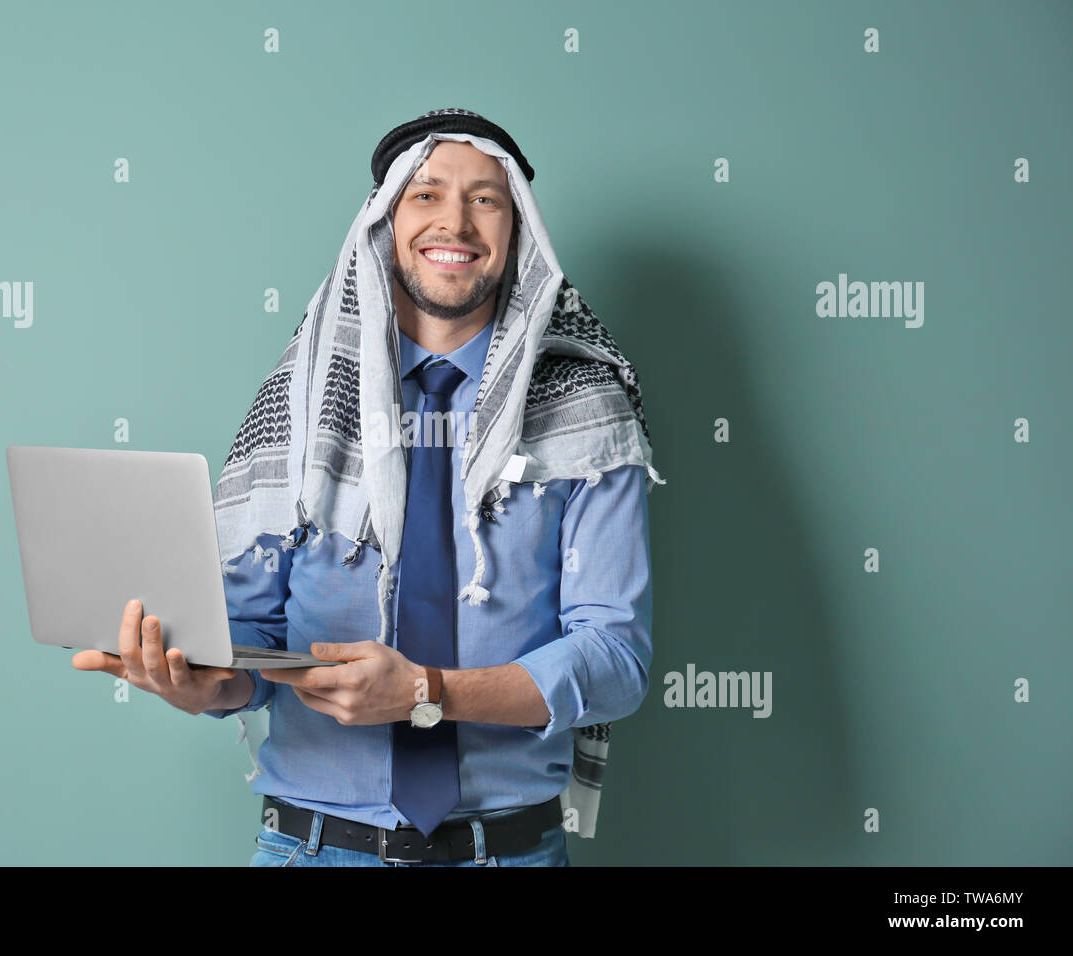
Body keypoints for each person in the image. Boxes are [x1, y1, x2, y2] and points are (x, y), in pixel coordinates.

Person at [73, 108, 664, 866]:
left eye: (486, 198)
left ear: (518, 230)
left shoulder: (584, 413)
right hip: (312, 849)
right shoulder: (303, 404)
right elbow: (244, 654)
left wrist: (430, 691)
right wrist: (198, 685)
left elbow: (614, 659)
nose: (455, 219)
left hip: (508, 853)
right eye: (426, 194)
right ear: (385, 221)